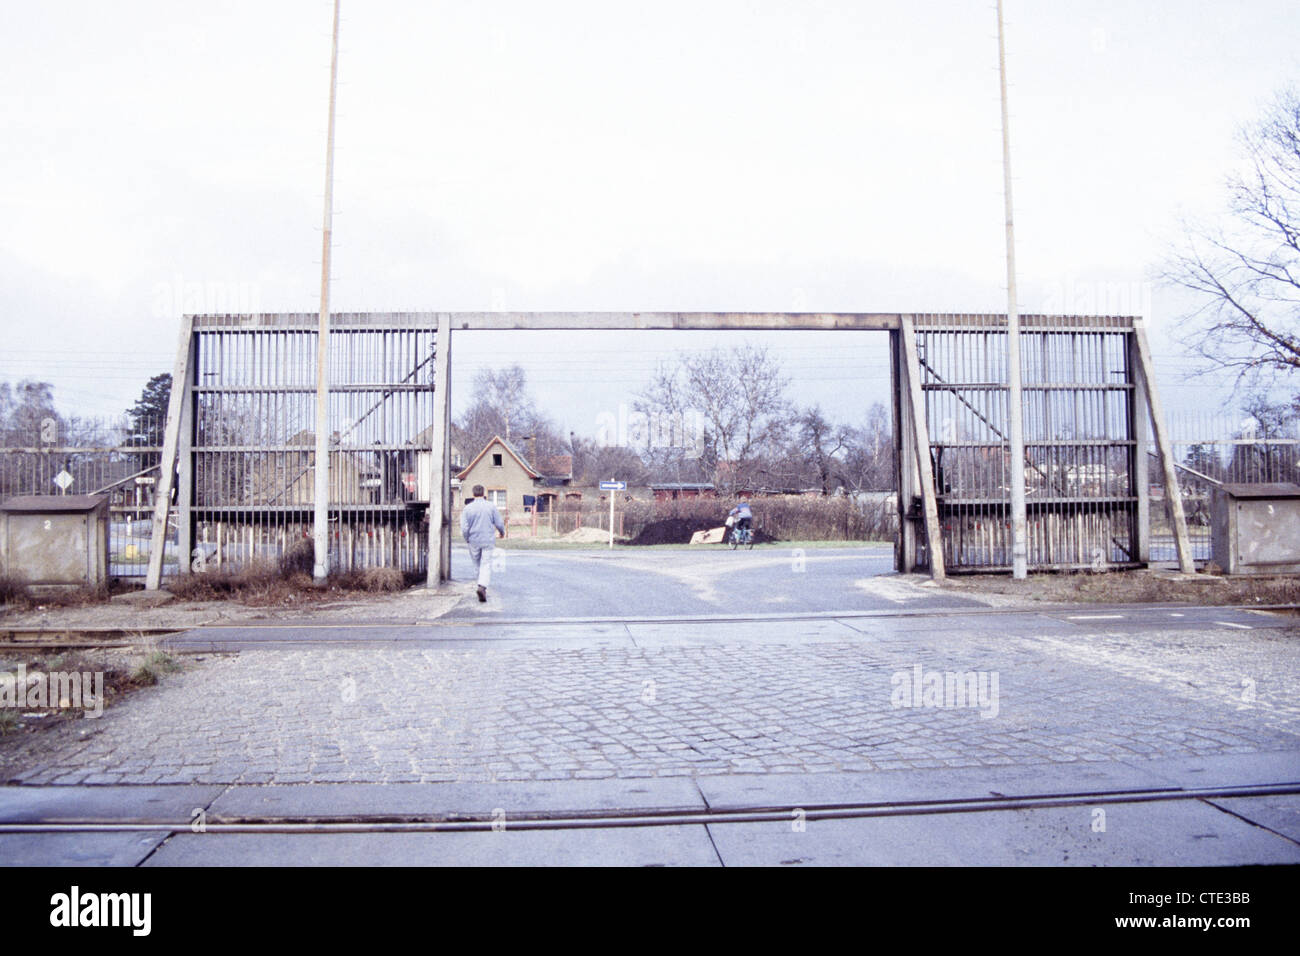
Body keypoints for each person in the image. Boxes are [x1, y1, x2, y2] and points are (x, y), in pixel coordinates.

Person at [460, 484, 505, 602]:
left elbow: (464, 528)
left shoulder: (467, 508)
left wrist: (467, 538)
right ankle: (482, 586)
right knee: (486, 564)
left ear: (473, 494)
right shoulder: (491, 506)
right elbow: (499, 522)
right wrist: (502, 532)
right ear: (484, 493)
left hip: (473, 540)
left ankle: (479, 585)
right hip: (487, 540)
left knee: (476, 564)